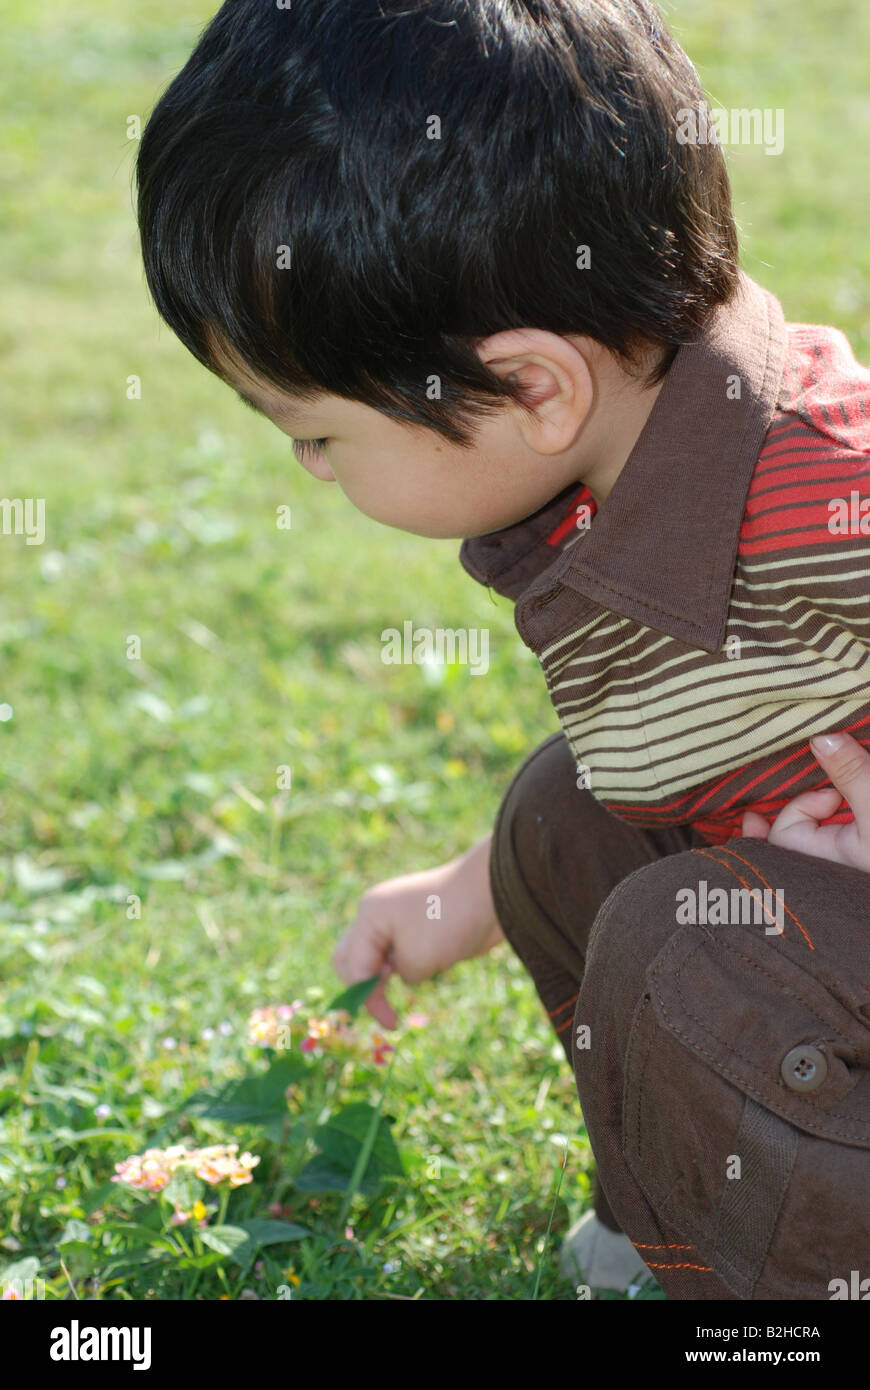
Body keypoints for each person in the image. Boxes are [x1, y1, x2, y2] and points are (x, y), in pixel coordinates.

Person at [136, 0, 870, 1299]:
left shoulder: (810, 497)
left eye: (314, 433)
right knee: (557, 812)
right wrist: (459, 898)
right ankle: (680, 1227)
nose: (308, 470)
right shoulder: (636, 460)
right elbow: (678, 740)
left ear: (533, 388)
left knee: (682, 942)